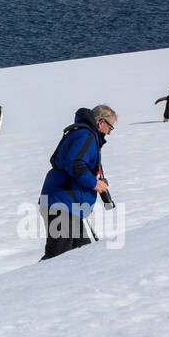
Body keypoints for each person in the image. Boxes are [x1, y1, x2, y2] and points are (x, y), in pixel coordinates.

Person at [38, 105, 115, 260]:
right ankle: (32, 283)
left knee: (82, 254)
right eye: (110, 127)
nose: (109, 133)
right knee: (57, 258)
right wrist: (95, 184)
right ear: (101, 122)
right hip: (60, 202)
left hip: (67, 204)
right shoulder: (86, 135)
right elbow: (75, 164)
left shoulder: (85, 134)